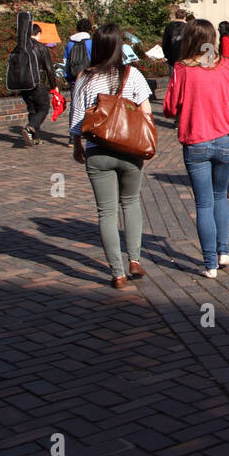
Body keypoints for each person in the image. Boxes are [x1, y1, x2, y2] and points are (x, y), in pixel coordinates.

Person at [69, 24, 153, 289]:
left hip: (98, 151)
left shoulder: (85, 77)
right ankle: (135, 259)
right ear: (119, 46)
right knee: (130, 203)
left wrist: (77, 145)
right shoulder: (133, 74)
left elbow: (77, 117)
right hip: (130, 150)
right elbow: (147, 113)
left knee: (106, 211)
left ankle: (117, 273)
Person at [164, 19, 229, 278]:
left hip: (196, 140)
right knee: (221, 195)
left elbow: (168, 109)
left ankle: (210, 262)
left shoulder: (181, 69)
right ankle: (223, 251)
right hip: (225, 138)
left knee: (203, 203)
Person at [22, 23, 59, 146]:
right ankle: (30, 127)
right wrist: (54, 86)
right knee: (43, 108)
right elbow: (49, 68)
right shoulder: (41, 47)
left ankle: (35, 138)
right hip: (37, 82)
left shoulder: (21, 47)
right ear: (38, 34)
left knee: (33, 110)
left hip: (22, 83)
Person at [62, 18, 93, 87]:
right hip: (88, 80)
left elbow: (65, 61)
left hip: (73, 79)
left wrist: (67, 77)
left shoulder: (69, 44)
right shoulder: (91, 43)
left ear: (77, 29)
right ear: (90, 29)